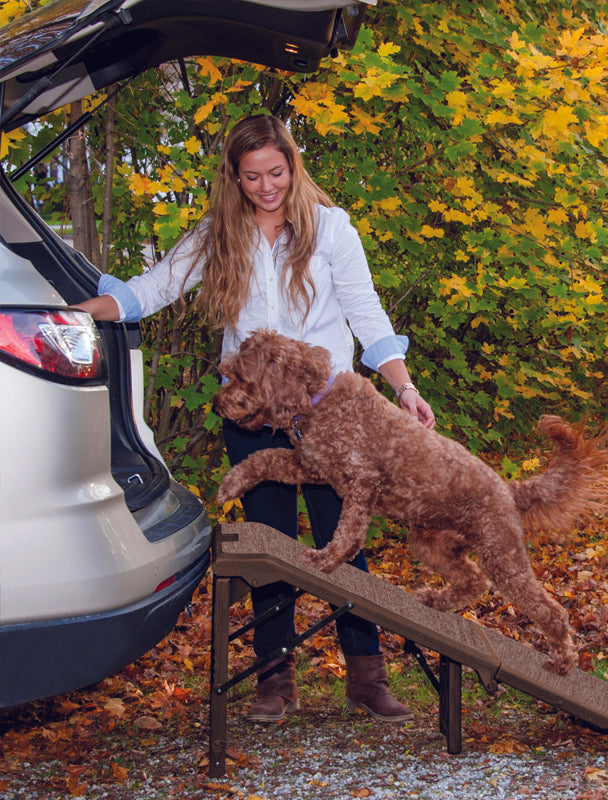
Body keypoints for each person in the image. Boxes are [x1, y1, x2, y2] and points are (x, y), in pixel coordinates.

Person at [77, 114, 435, 724]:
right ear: (235, 178)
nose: (267, 186)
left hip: (329, 419)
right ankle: (275, 683)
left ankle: (367, 677)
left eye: (276, 172)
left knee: (343, 542)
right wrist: (72, 313)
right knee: (271, 551)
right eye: (252, 177)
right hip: (253, 417)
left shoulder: (330, 229)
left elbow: (366, 314)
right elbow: (152, 289)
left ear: (293, 166)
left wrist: (403, 387)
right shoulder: (219, 232)